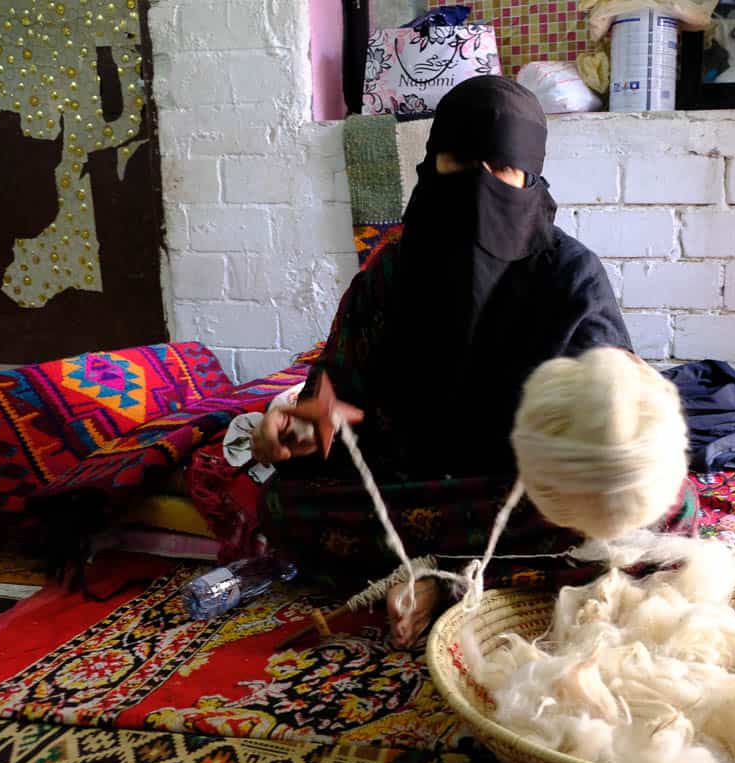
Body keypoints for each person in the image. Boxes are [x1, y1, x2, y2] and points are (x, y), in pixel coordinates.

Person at [251, 76, 637, 647]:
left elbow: (616, 415)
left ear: (530, 179)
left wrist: (609, 435)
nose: (479, 188)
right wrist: (293, 432)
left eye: (501, 169)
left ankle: (443, 575)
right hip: (407, 479)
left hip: (523, 486)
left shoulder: (570, 275)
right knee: (281, 502)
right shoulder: (388, 274)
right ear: (430, 168)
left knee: (650, 507)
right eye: (458, 162)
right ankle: (477, 570)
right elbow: (333, 401)